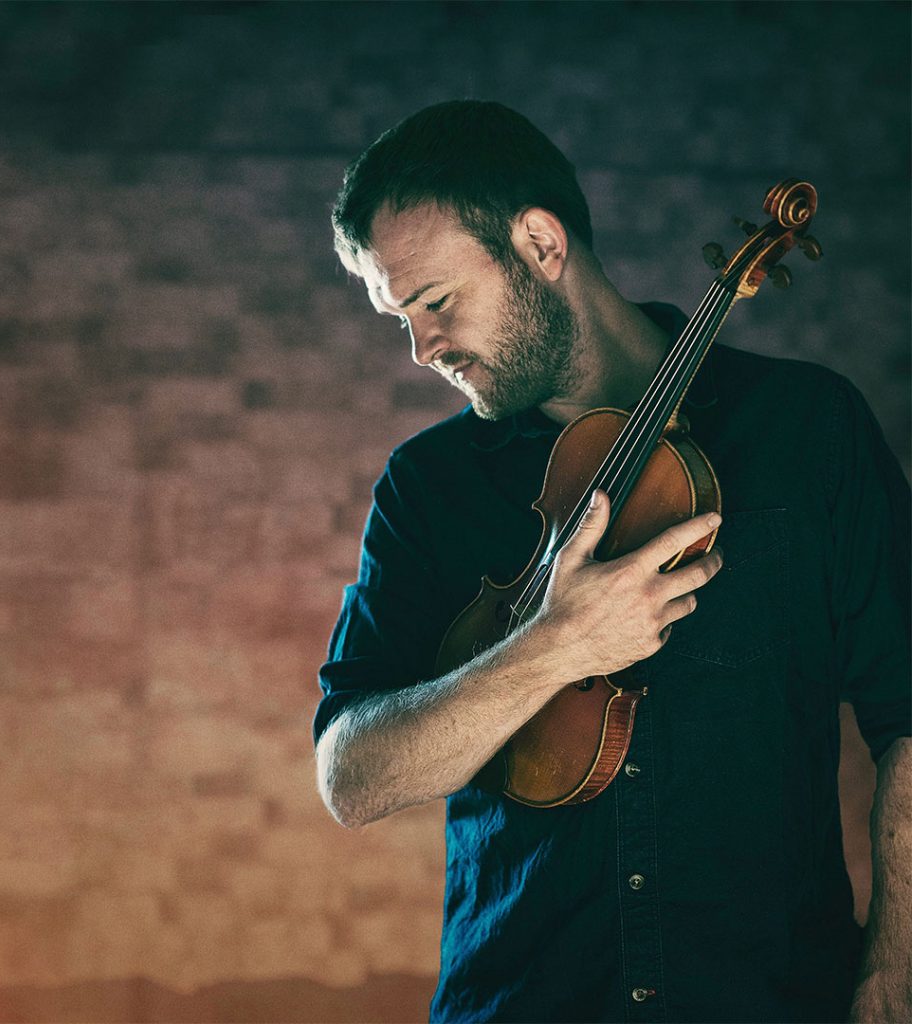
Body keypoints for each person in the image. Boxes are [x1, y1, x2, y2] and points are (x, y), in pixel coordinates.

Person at [313, 101, 911, 1023]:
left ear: (541, 244)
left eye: (434, 303)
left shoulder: (806, 430)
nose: (424, 348)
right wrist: (550, 647)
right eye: (402, 320)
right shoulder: (426, 488)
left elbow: (907, 713)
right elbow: (351, 776)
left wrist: (892, 972)